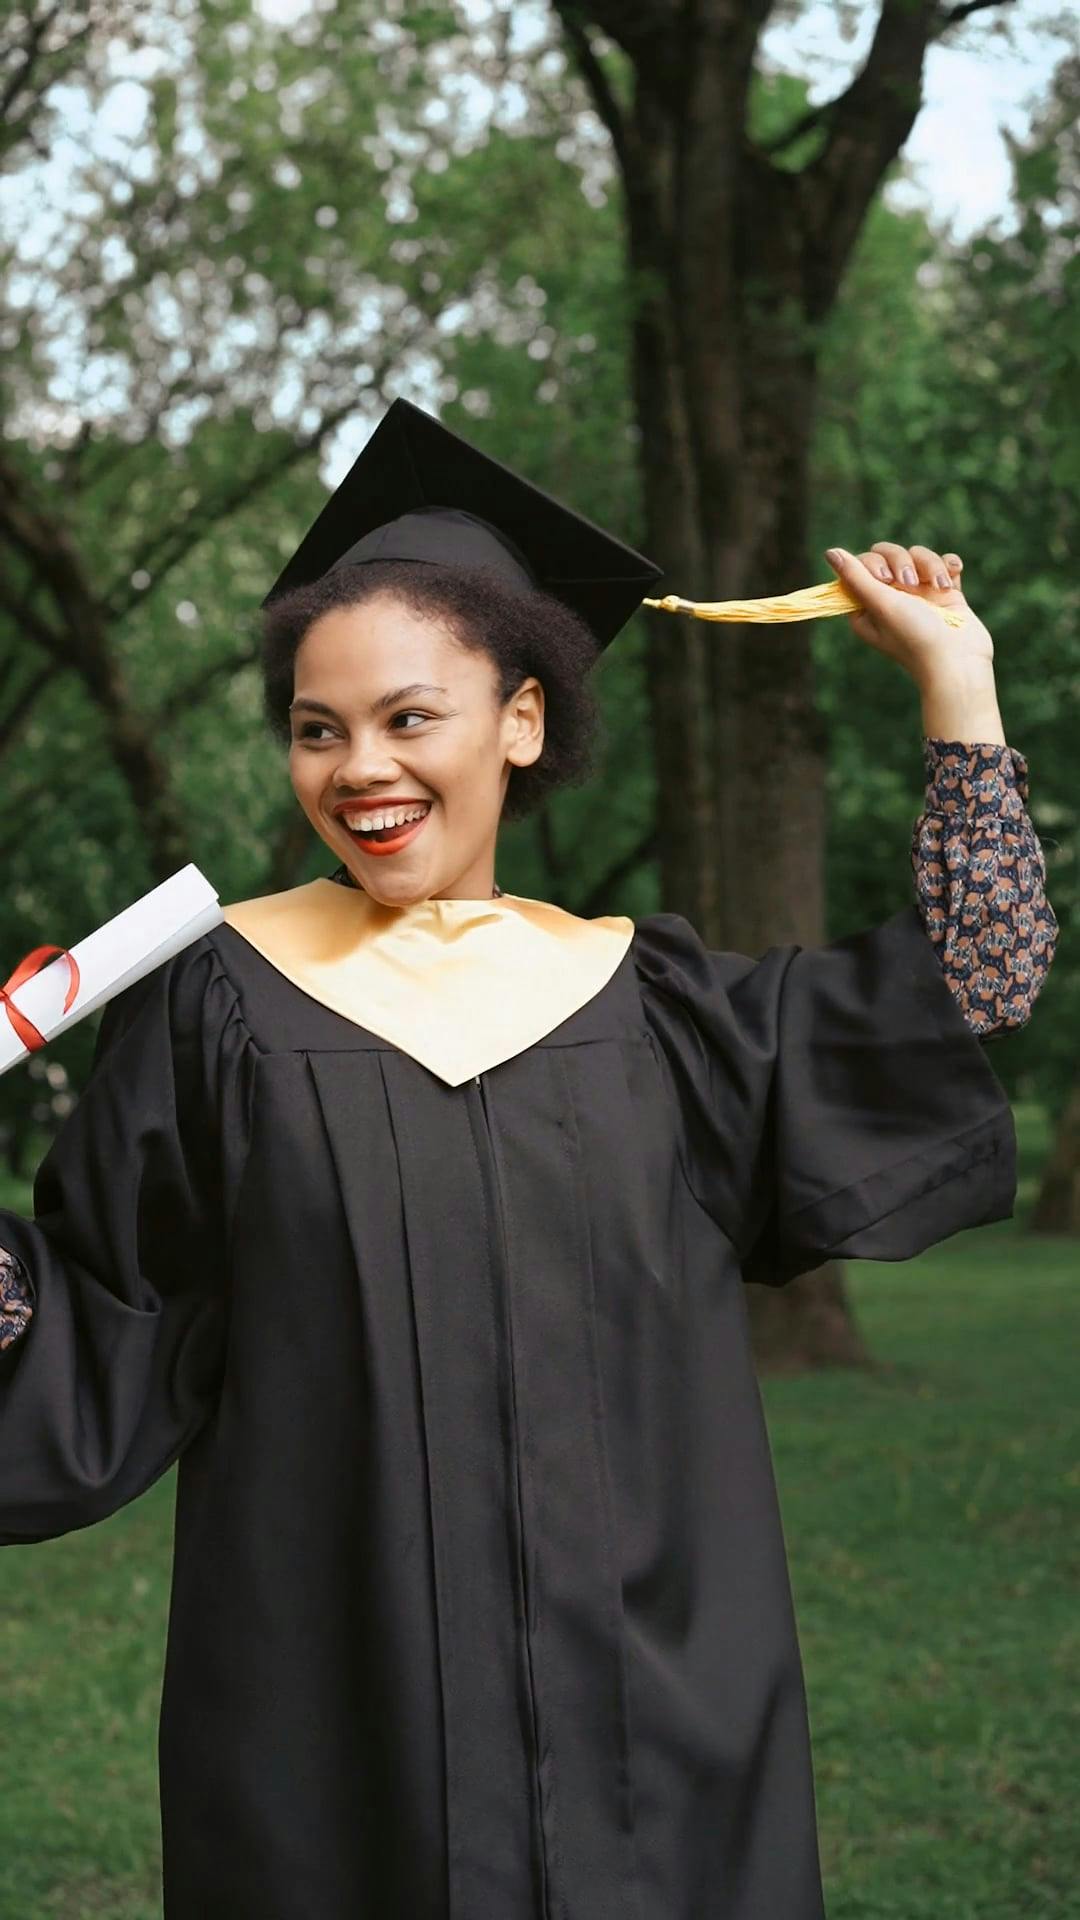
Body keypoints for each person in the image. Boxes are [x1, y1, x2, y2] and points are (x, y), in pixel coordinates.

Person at [0, 400, 1058, 1920]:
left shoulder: (653, 1008)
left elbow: (977, 984)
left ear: (523, 721)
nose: (359, 767)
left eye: (410, 717)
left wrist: (958, 679)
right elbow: (97, 1316)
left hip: (659, 1745)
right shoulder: (219, 1007)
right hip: (335, 1748)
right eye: (317, 727)